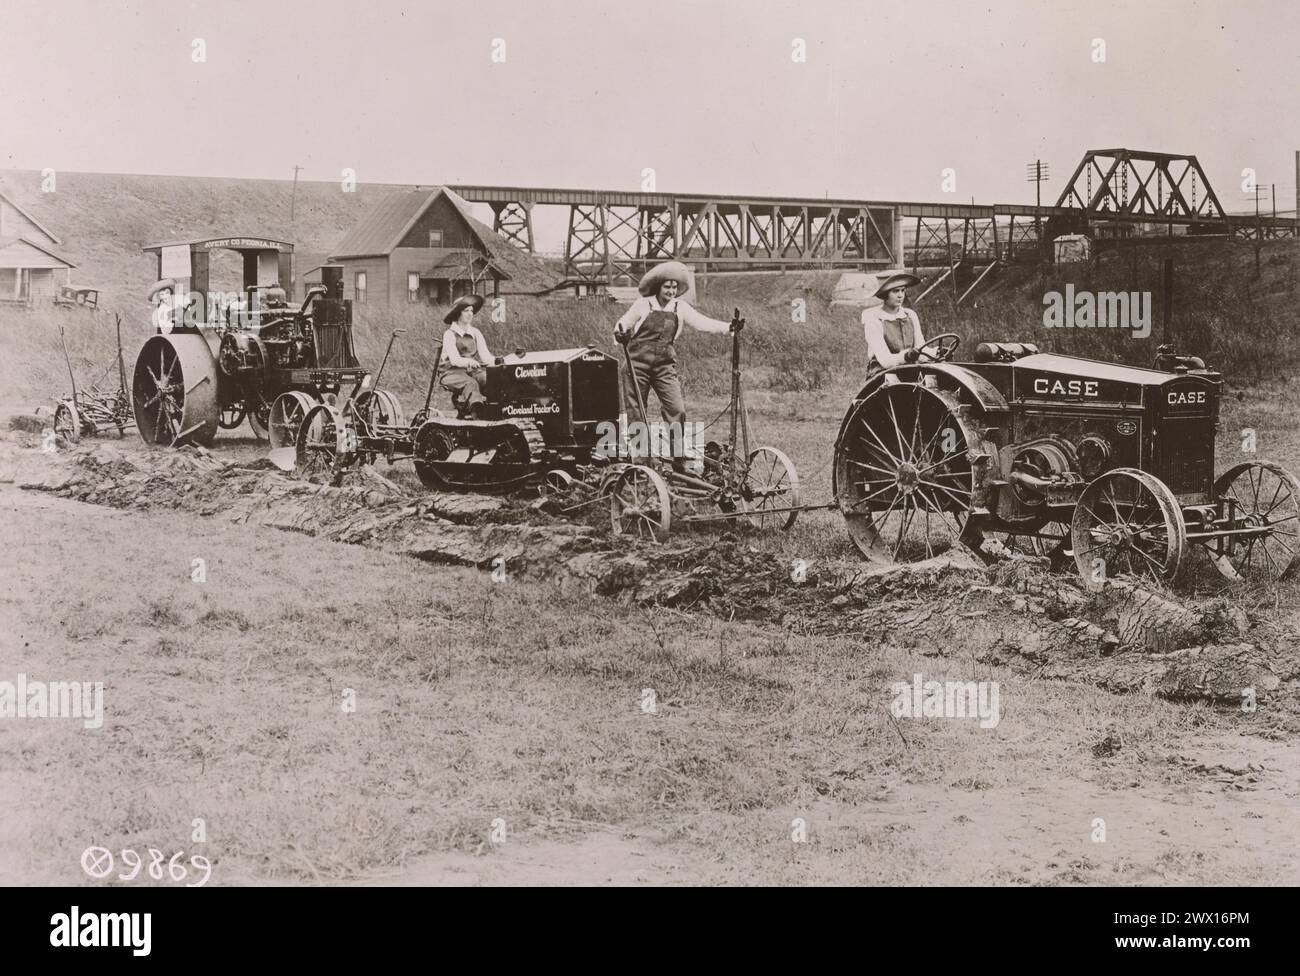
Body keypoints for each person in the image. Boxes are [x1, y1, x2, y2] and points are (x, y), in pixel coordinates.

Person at [613, 261, 740, 471]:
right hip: (636, 365)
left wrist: (729, 327)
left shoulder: (680, 307)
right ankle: (642, 464)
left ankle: (679, 459)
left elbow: (702, 322)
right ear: (658, 287)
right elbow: (621, 326)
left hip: (664, 366)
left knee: (676, 409)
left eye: (674, 287)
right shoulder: (643, 304)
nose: (671, 291)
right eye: (667, 287)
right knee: (637, 412)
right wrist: (620, 335)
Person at [438, 294, 495, 417]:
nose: (470, 314)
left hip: (471, 371)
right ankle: (477, 416)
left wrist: (500, 362)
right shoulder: (449, 334)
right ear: (458, 313)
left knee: (490, 380)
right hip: (451, 373)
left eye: (471, 311)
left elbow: (485, 356)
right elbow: (454, 359)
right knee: (471, 384)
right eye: (466, 311)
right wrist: (470, 362)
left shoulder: (475, 332)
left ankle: (496, 412)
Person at [862, 271, 924, 374]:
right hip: (883, 374)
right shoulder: (874, 319)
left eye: (903, 290)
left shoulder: (910, 315)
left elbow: (921, 348)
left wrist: (936, 352)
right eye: (895, 291)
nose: (900, 295)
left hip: (910, 370)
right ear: (885, 294)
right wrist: (906, 356)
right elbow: (885, 360)